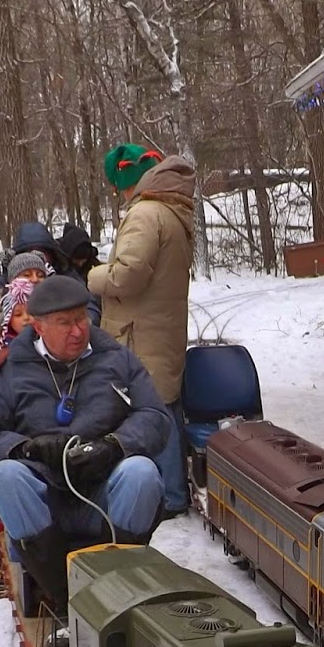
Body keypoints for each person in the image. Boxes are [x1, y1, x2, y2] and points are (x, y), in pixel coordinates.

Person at [0, 276, 171, 616]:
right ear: (38, 326)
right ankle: (62, 595)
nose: (77, 331)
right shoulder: (10, 370)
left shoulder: (117, 360)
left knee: (141, 472)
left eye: (81, 318)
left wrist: (115, 445)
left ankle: (120, 581)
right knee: (5, 476)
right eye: (64, 323)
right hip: (44, 497)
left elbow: (154, 416)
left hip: (103, 487)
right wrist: (24, 448)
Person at [89, 144, 196, 516]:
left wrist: (93, 276)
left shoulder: (145, 214)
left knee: (153, 409)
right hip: (160, 328)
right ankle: (172, 489)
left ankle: (169, 494)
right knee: (166, 403)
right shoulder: (171, 210)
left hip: (139, 333)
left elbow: (127, 276)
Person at [0, 275, 39, 376]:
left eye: (31, 312)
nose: (26, 318)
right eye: (18, 314)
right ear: (8, 319)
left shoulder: (48, 344)